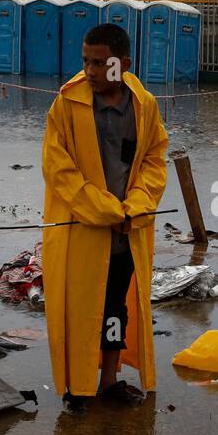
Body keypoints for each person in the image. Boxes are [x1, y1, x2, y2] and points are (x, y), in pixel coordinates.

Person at [41, 23, 169, 413]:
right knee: (79, 310)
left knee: (116, 307)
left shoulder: (143, 105)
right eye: (86, 62)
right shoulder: (67, 103)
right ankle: (76, 387)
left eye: (100, 63)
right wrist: (103, 210)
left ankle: (109, 380)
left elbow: (154, 159)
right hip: (83, 231)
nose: (91, 71)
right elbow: (57, 168)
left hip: (126, 231)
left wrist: (135, 205)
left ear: (123, 64)